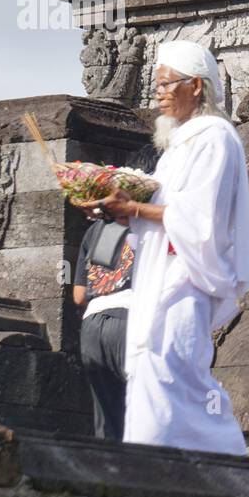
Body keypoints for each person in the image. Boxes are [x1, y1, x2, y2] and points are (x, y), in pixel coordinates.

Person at [84, 41, 249, 455]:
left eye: (165, 84)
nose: (157, 93)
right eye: (155, 85)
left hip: (184, 277)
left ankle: (220, 458)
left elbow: (201, 218)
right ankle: (158, 463)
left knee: (174, 372)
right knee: (151, 371)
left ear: (196, 86)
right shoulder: (178, 145)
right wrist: (122, 212)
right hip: (158, 275)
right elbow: (163, 210)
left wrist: (135, 207)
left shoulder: (214, 138)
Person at [72, 143, 159, 441]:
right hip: (132, 320)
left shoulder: (94, 230)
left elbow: (79, 296)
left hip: (92, 327)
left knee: (107, 426)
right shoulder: (149, 222)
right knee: (146, 415)